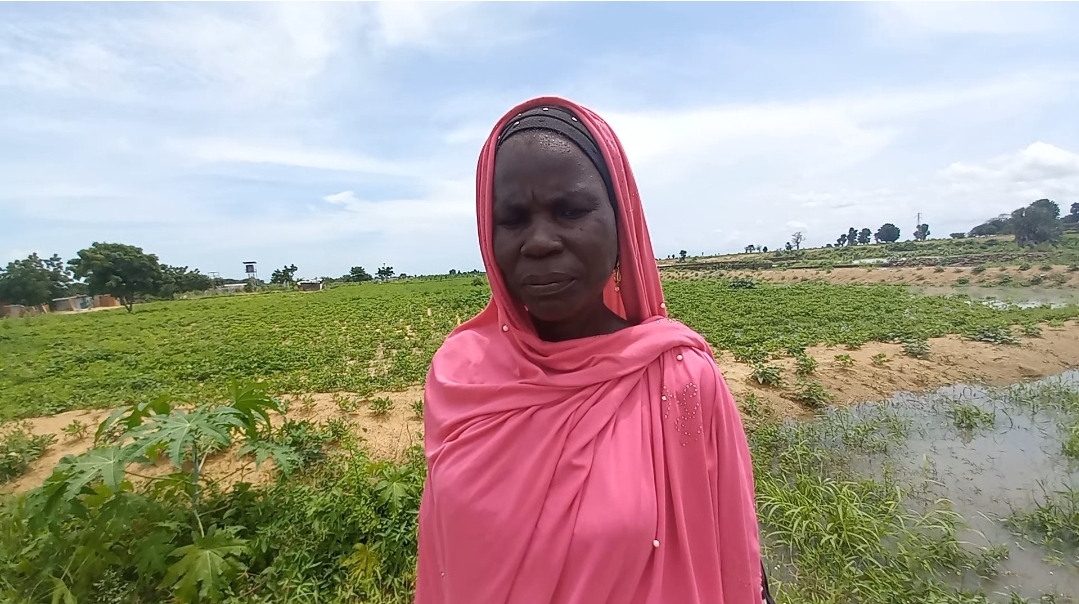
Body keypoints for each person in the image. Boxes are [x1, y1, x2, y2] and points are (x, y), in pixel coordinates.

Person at [416, 97, 773, 604]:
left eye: (570, 210)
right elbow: (446, 559)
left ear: (621, 219)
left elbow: (726, 549)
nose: (539, 241)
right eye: (513, 219)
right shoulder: (458, 378)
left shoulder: (679, 380)